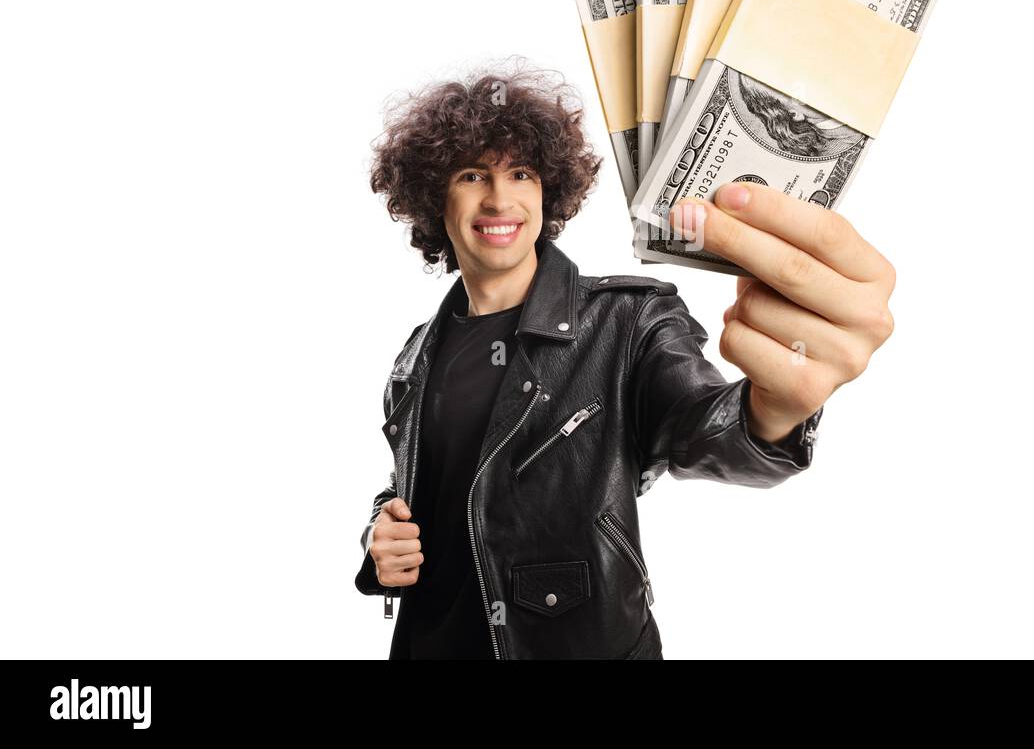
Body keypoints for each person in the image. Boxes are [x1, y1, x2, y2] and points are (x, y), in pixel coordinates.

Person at [353, 59, 896, 659]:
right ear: (437, 197)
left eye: (523, 173)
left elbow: (701, 425)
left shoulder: (628, 320)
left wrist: (773, 410)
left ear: (548, 191)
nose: (500, 198)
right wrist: (380, 534)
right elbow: (425, 481)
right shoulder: (416, 354)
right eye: (474, 175)